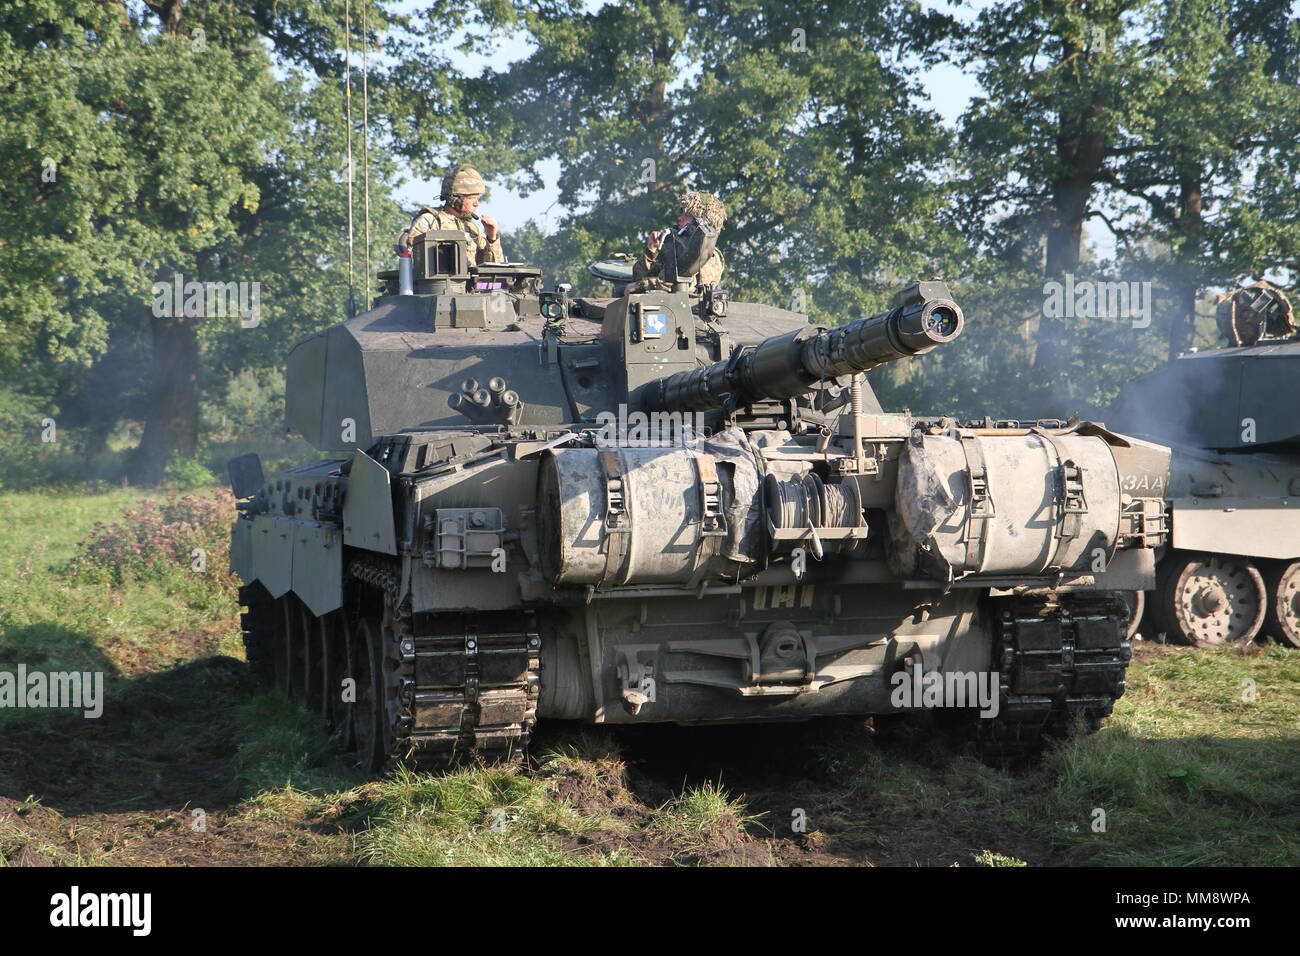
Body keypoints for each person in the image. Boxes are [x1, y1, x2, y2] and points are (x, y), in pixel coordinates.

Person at [398, 164, 505, 265]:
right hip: (439, 284)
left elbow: (492, 267)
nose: (477, 203)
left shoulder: (472, 227)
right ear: (455, 198)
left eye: (478, 198)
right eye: (472, 198)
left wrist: (491, 236)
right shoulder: (430, 221)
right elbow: (415, 261)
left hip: (471, 284)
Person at [625, 190, 726, 294]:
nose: (680, 218)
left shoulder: (709, 255)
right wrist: (651, 251)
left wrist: (643, 285)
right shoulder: (674, 250)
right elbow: (637, 279)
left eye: (687, 215)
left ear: (702, 222)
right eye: (681, 213)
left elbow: (688, 288)